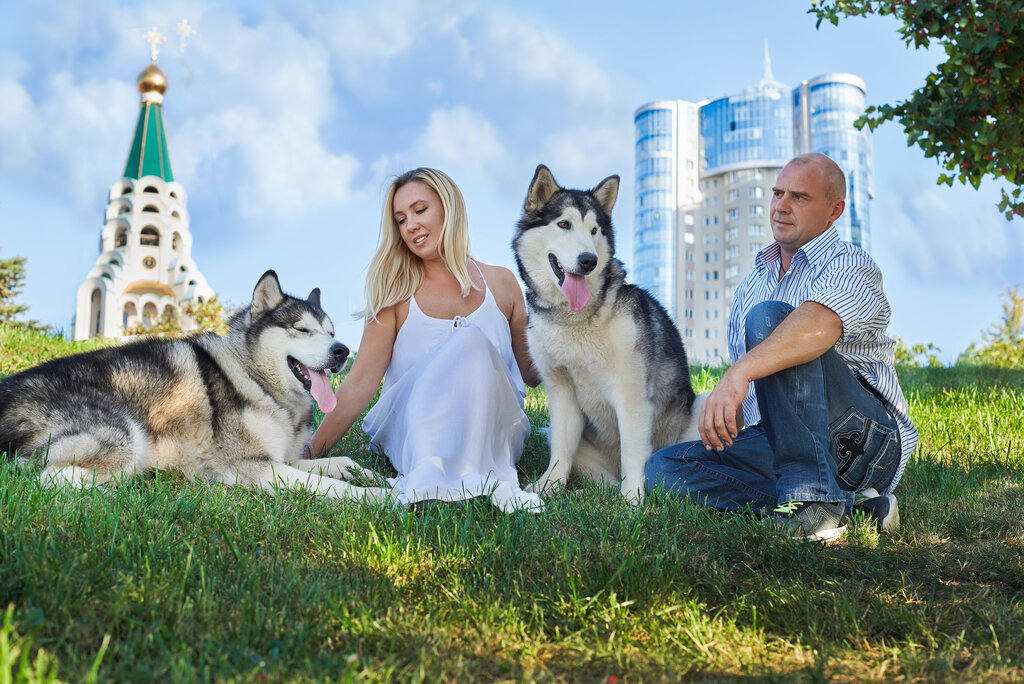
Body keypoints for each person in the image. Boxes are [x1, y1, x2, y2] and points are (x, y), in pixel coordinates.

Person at [645, 153, 918, 541]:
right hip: (780, 444)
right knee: (662, 469)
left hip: (861, 441)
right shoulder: (750, 284)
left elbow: (818, 326)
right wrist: (727, 438)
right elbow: (748, 404)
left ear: (834, 210)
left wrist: (738, 373)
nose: (781, 205)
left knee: (772, 319)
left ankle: (813, 500)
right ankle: (850, 506)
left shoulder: (852, 263)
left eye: (799, 197)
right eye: (777, 193)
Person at [305, 167, 544, 512]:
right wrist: (310, 451)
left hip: (495, 429)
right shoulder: (395, 292)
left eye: (420, 211)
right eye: (401, 220)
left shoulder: (502, 284)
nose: (410, 225)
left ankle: (455, 483)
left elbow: (535, 373)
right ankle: (440, 483)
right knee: (470, 340)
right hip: (418, 432)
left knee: (472, 342)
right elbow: (359, 385)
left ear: (450, 208)